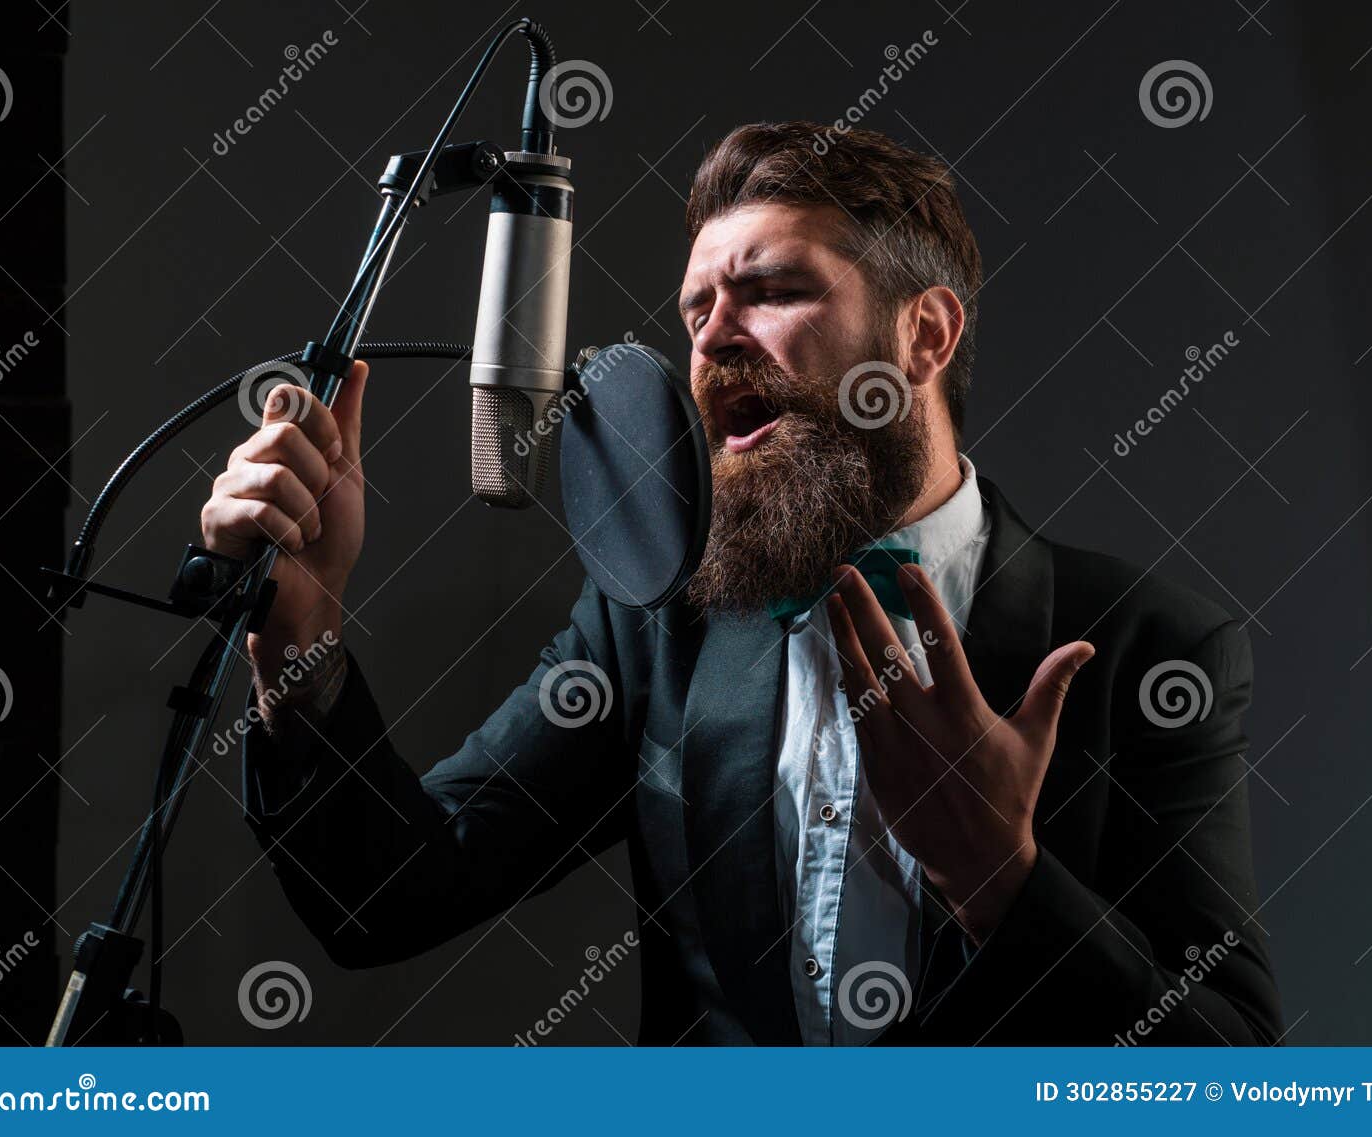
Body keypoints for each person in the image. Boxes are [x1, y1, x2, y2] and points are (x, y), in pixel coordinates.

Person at [198, 121, 1283, 1045]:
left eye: (769, 292)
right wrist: (301, 630)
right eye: (695, 312)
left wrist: (1001, 878)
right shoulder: (654, 627)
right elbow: (385, 898)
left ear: (926, 332)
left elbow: (1225, 1069)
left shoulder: (1146, 644)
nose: (713, 341)